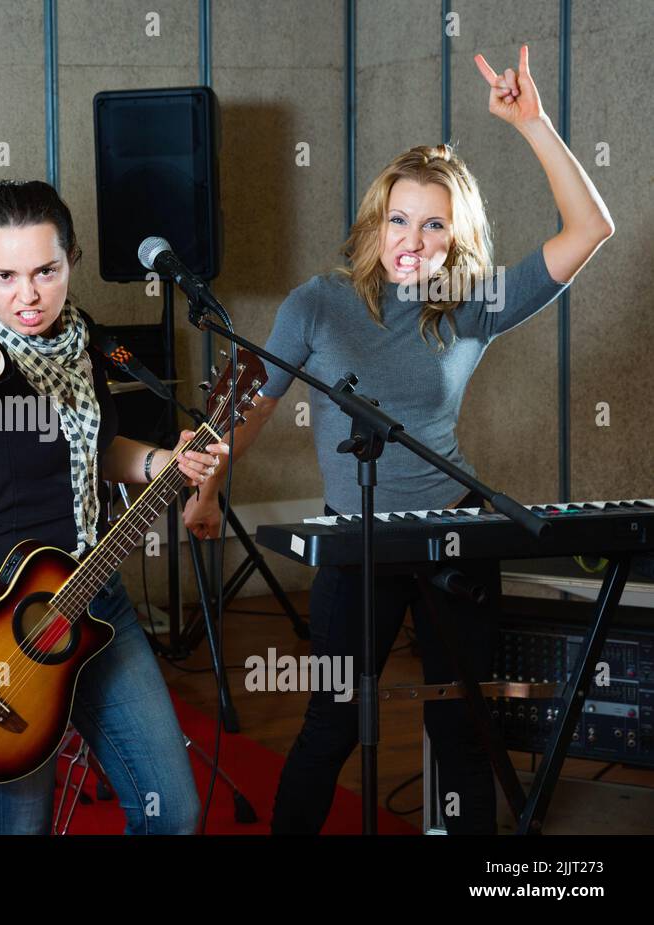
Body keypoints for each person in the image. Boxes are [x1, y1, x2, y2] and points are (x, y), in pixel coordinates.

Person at [184, 44, 613, 834]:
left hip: (455, 529)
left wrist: (535, 125)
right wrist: (207, 487)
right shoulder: (318, 303)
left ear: (459, 235)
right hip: (357, 542)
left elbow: (591, 228)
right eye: (400, 218)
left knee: (462, 727)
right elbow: (252, 409)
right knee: (334, 721)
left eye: (435, 224)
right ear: (378, 219)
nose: (412, 239)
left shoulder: (473, 302)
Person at [0, 179, 222, 834]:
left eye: (46, 270)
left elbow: (88, 444)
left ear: (71, 261)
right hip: (2, 613)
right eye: (4, 275)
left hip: (95, 593)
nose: (27, 295)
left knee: (175, 811)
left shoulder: (83, 339)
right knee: (21, 825)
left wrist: (161, 463)